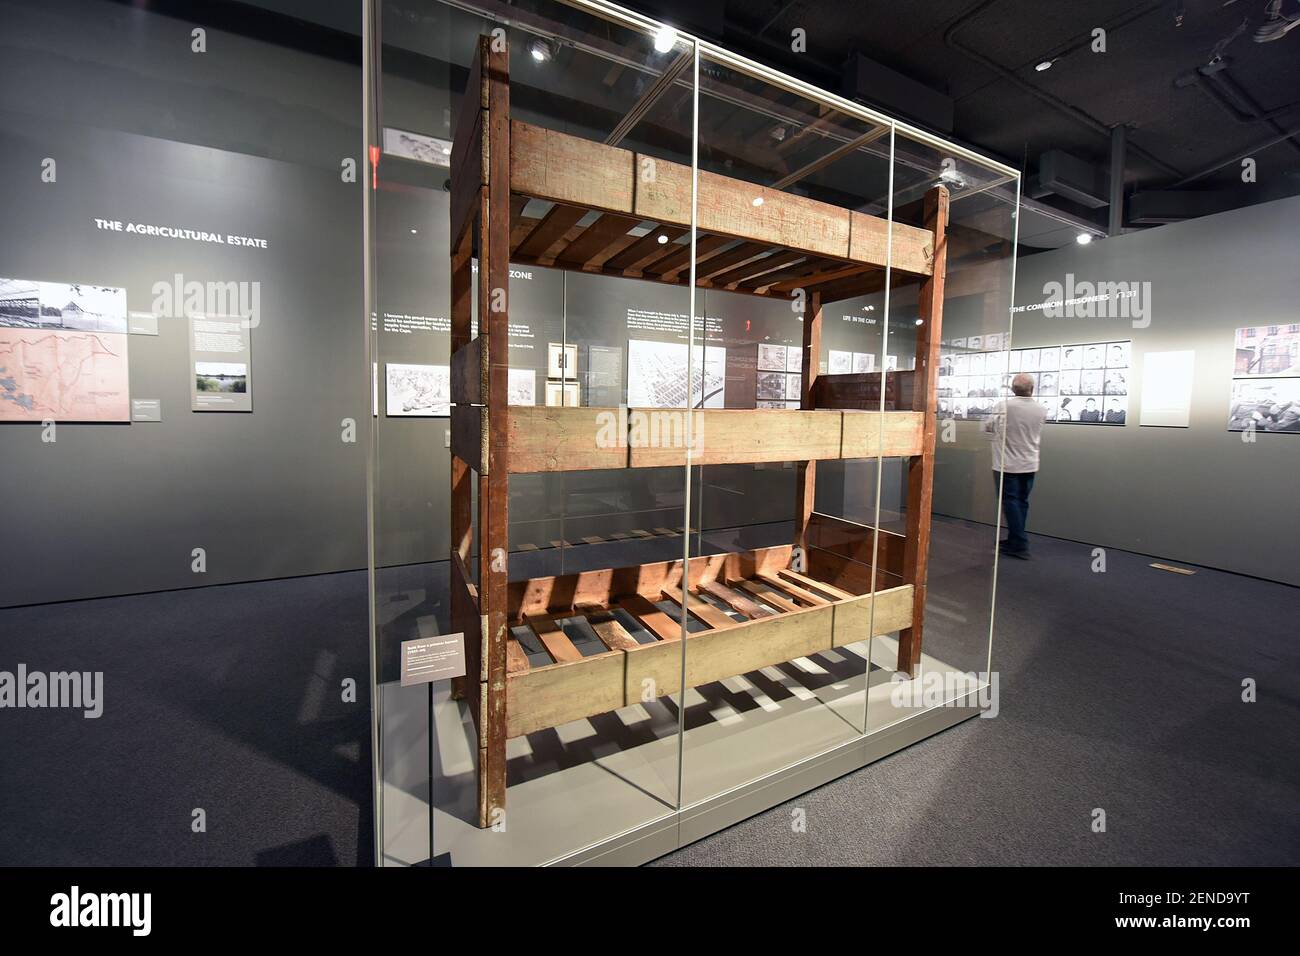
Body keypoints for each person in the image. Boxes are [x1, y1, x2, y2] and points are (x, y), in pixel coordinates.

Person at [983, 373, 1047, 559]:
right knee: (1021, 502)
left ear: (1012, 389)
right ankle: (1015, 538)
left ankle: (1019, 543)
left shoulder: (1004, 406)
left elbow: (988, 427)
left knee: (1010, 503)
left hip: (1007, 464)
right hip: (1030, 463)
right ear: (1032, 389)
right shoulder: (1041, 409)